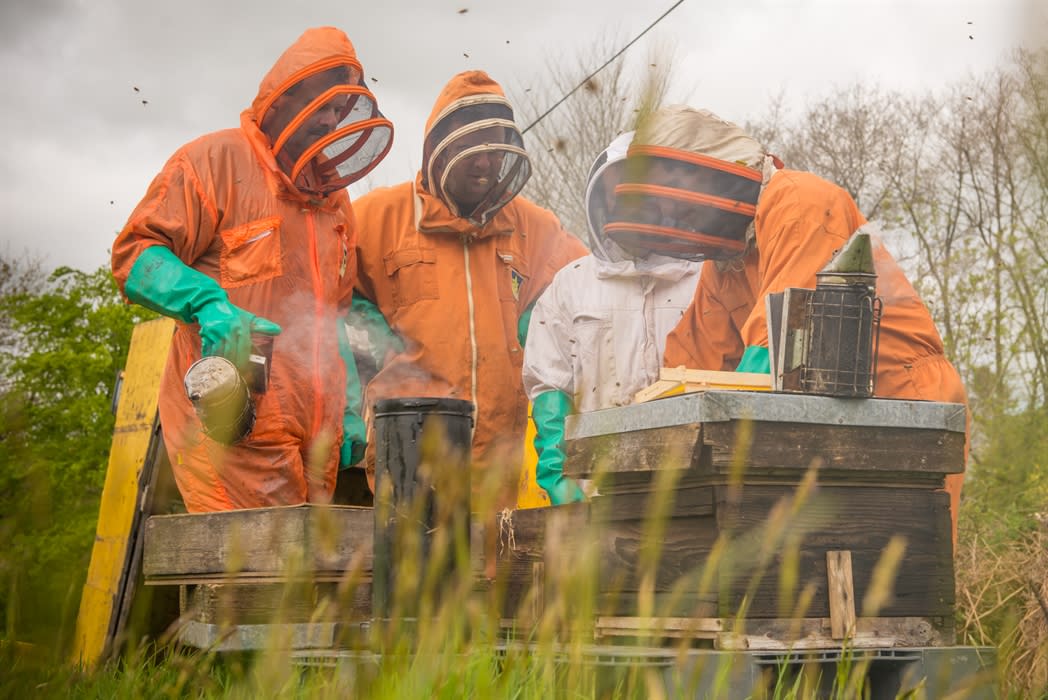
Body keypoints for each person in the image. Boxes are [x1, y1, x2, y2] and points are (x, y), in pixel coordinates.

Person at [608, 105, 966, 540]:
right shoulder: (728, 261)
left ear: (713, 174)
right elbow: (693, 358)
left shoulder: (801, 202)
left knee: (904, 573)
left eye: (678, 204)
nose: (679, 220)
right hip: (832, 415)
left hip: (903, 397)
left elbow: (782, 338)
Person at [110, 27, 392, 512]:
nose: (328, 119)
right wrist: (206, 301)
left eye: (336, 109)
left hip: (316, 434)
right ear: (284, 101)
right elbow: (135, 254)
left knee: (306, 580)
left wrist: (347, 405)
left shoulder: (335, 203)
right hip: (229, 422)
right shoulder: (214, 161)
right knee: (257, 576)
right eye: (318, 104)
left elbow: (332, 316)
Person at [351, 70, 588, 504]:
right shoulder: (376, 217)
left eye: (495, 147)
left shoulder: (534, 228)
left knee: (491, 570)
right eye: (471, 148)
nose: (484, 162)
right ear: (437, 150)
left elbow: (590, 291)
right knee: (415, 566)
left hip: (500, 461)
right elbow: (320, 301)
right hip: (406, 453)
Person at [521, 132, 702, 504]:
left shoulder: (706, 280)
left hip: (695, 492)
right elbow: (549, 387)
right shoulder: (571, 286)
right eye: (620, 194)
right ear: (602, 201)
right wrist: (559, 474)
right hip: (595, 496)